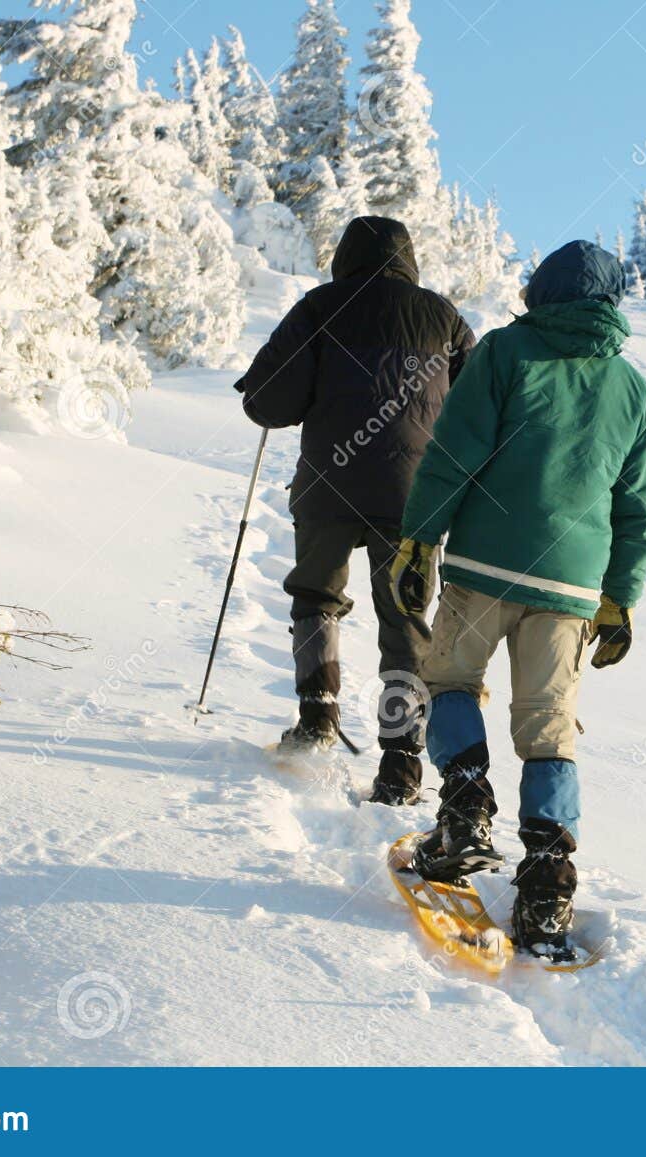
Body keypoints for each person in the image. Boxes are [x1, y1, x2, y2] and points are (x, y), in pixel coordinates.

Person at [388, 239, 646, 959]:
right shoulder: (634, 390)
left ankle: (465, 814)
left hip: (485, 560)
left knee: (448, 679)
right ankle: (547, 884)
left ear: (541, 290)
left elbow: (453, 450)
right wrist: (618, 597)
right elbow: (638, 508)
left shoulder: (506, 352)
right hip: (572, 586)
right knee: (549, 729)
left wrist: (420, 539)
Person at [235, 216, 474, 805]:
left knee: (317, 598)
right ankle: (400, 763)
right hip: (414, 500)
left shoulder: (320, 306)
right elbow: (475, 410)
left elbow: (270, 404)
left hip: (328, 487)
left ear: (346, 256)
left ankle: (317, 719)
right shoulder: (444, 317)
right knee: (406, 620)